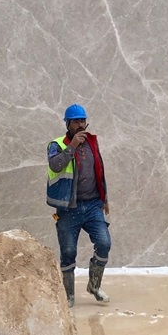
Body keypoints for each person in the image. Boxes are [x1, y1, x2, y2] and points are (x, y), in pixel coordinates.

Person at [46, 104, 111, 307]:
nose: (81, 124)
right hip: (68, 209)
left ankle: (94, 285)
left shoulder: (92, 142)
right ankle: (68, 296)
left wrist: (105, 199)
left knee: (104, 243)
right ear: (68, 124)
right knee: (68, 252)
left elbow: (99, 170)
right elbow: (55, 165)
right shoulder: (56, 144)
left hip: (92, 205)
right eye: (76, 121)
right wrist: (72, 145)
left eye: (83, 120)